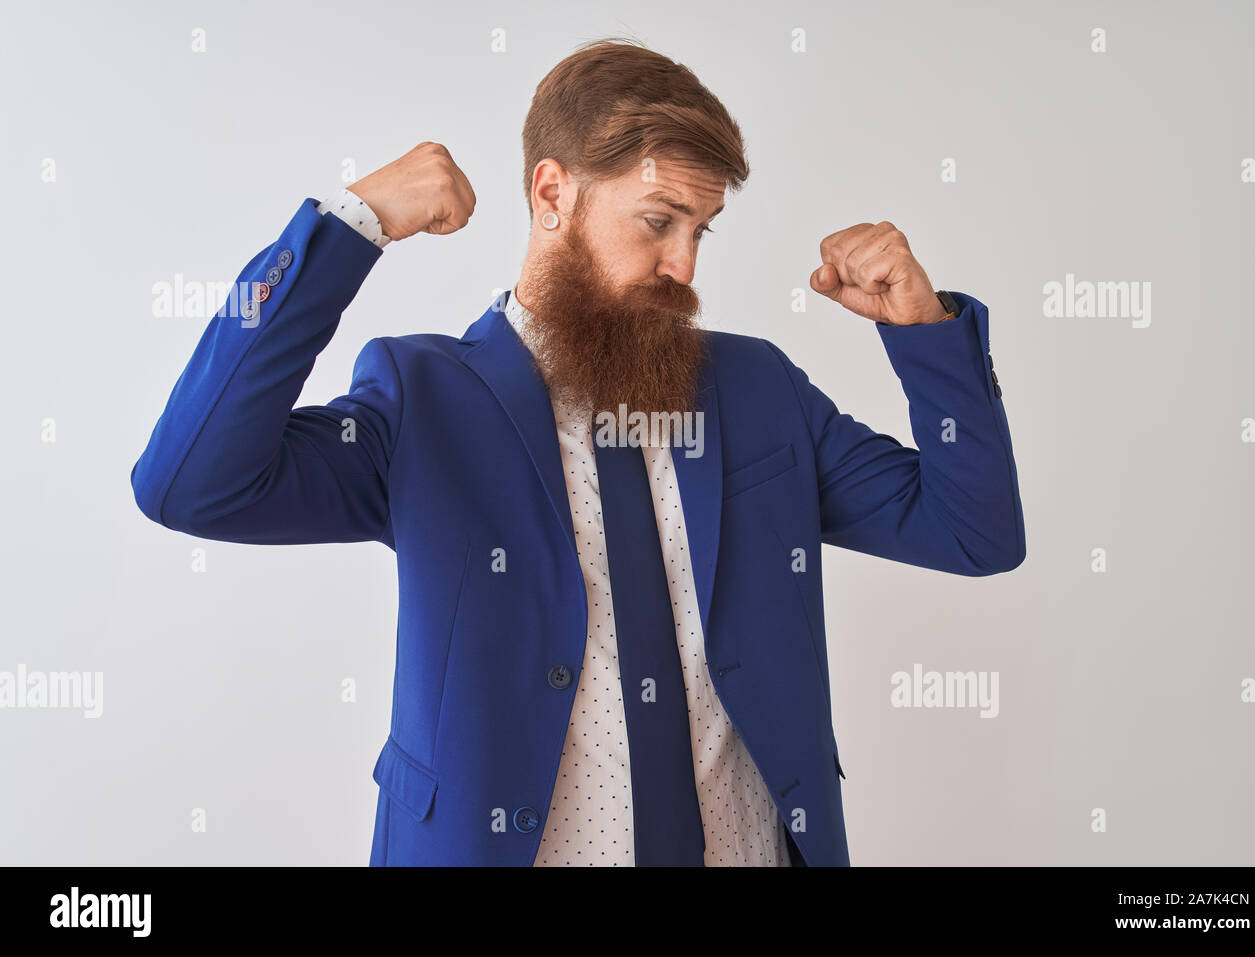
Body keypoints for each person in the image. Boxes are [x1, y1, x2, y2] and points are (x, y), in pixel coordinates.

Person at [130, 37, 1025, 866]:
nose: (684, 264)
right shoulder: (425, 398)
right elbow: (191, 483)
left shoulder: (757, 389)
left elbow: (973, 532)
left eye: (700, 230)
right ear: (552, 193)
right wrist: (348, 227)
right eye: (659, 221)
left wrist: (926, 333)